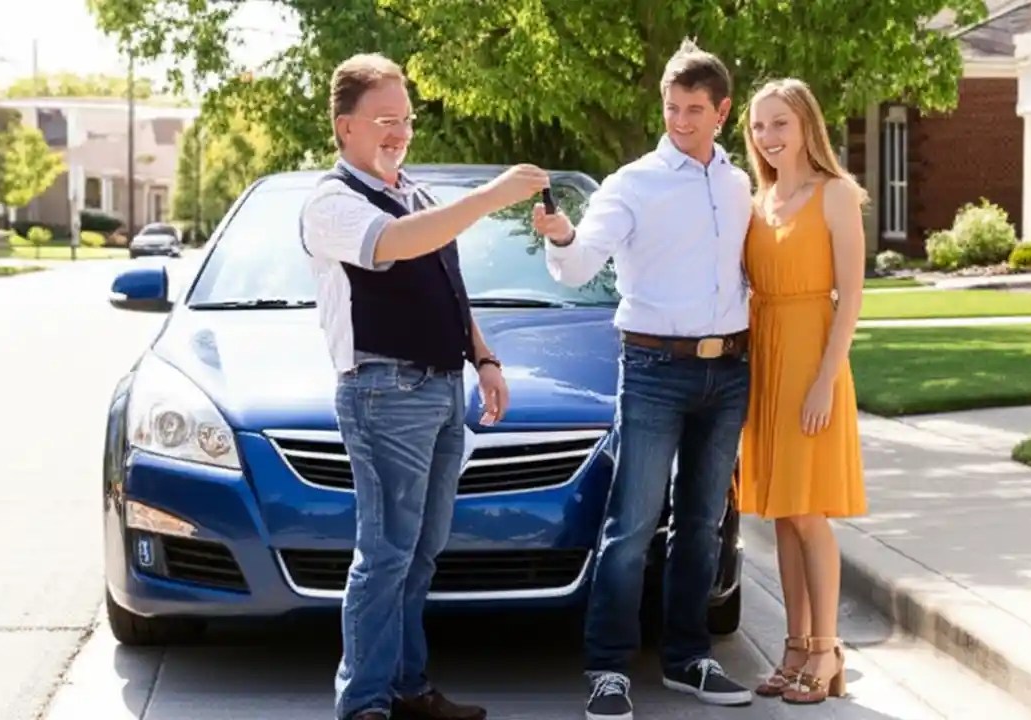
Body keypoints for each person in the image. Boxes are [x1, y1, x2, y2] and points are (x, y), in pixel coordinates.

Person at [300, 53, 551, 720]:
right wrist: (492, 196)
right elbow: (397, 243)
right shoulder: (332, 202)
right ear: (344, 126)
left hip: (442, 391)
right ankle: (364, 704)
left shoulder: (417, 194)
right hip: (384, 392)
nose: (400, 132)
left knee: (419, 556)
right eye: (385, 120)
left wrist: (484, 359)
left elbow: (449, 284)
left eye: (406, 119)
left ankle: (407, 690)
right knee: (385, 555)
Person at [532, 38, 755, 720]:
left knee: (703, 524)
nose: (680, 121)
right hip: (654, 369)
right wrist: (561, 236)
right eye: (671, 108)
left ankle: (688, 659)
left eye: (694, 110)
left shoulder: (738, 184)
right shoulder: (632, 183)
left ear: (722, 111)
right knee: (631, 525)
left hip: (729, 371)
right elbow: (578, 266)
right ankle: (608, 670)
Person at [736, 77, 868, 705]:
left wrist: (824, 382)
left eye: (780, 123)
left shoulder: (834, 194)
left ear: (807, 125)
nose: (768, 136)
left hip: (812, 362)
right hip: (764, 361)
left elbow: (852, 300)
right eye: (759, 126)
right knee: (784, 516)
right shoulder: (757, 201)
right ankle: (794, 647)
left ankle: (826, 648)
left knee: (809, 514)